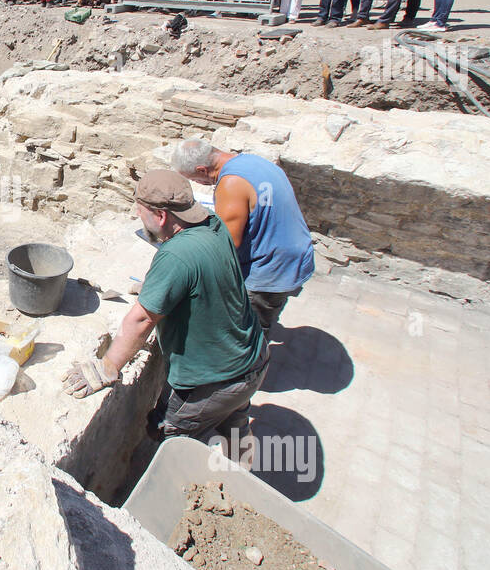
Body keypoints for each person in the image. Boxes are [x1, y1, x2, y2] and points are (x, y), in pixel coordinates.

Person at [61, 170, 269, 465]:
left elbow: (140, 320)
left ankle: (188, 500)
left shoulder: (176, 256)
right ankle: (245, 482)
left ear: (159, 215)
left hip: (215, 381)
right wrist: (160, 289)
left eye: (140, 211)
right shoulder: (214, 225)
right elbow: (207, 275)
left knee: (172, 439)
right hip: (252, 360)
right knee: (235, 423)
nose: (138, 217)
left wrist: (107, 367)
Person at [172, 140, 315, 334]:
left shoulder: (231, 183)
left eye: (195, 179)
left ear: (202, 169)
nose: (199, 183)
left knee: (247, 331)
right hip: (295, 253)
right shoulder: (254, 162)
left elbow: (226, 245)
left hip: (270, 267)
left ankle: (252, 360)